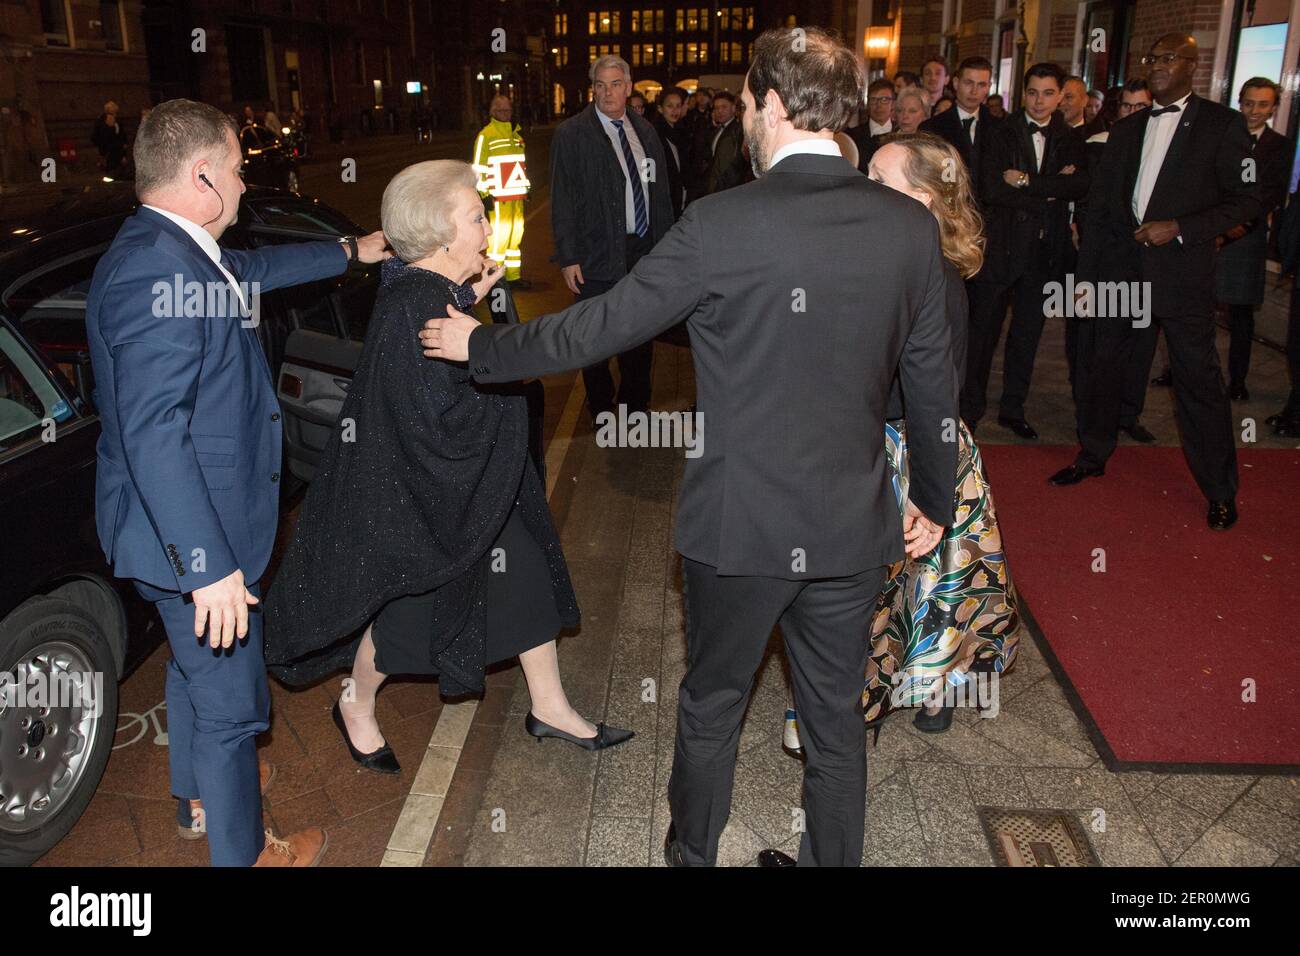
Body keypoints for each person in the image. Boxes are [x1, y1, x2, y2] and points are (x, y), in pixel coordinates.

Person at [420, 26, 958, 868]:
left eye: (747, 102)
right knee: (835, 722)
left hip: (739, 528)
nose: (743, 114)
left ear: (775, 107)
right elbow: (932, 386)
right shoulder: (906, 230)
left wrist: (479, 349)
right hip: (852, 524)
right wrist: (931, 496)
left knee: (713, 704)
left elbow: (598, 326)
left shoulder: (718, 224)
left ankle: (692, 859)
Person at [86, 98, 389, 867]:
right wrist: (208, 565)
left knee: (194, 681)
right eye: (238, 169)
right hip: (190, 541)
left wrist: (354, 250)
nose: (247, 186)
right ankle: (249, 852)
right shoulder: (157, 269)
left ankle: (195, 798)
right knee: (231, 709)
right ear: (201, 175)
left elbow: (251, 271)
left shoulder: (175, 248)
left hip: (182, 532)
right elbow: (154, 430)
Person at [264, 160, 632, 769]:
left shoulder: (426, 291)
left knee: (526, 573)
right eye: (477, 216)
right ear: (441, 234)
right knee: (411, 615)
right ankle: (355, 703)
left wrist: (470, 298)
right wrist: (510, 377)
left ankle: (550, 706)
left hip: (469, 486)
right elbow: (439, 425)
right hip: (424, 501)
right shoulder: (421, 307)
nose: (489, 226)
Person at [782, 132, 1023, 754]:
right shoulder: (898, 258)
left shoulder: (933, 275)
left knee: (907, 583)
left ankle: (864, 709)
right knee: (911, 581)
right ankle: (890, 699)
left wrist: (925, 483)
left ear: (921, 199)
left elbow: (935, 391)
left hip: (913, 444)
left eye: (881, 182)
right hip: (893, 438)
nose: (867, 191)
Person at [1050, 34, 1261, 532]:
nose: (1159, 66)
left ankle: (1220, 489)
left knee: (1197, 379)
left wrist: (1182, 229)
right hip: (1120, 271)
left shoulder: (1221, 125)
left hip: (1182, 275)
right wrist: (1088, 281)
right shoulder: (1127, 129)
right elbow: (1102, 209)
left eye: (1169, 58)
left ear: (1193, 65)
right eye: (1152, 58)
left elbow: (1247, 201)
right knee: (1104, 365)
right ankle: (1093, 453)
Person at [965, 62, 1089, 438]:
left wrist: (1025, 181)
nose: (1039, 100)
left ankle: (1012, 408)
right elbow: (991, 188)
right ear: (1023, 94)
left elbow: (1079, 186)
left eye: (1048, 93)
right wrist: (1049, 190)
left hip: (1044, 251)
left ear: (1060, 97)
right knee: (982, 335)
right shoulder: (999, 131)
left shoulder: (1070, 136)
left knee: (1027, 335)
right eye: (1033, 92)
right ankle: (969, 409)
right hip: (1000, 249)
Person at [548, 53, 674, 422]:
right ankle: (601, 405)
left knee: (639, 334)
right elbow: (562, 200)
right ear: (593, 89)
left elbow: (660, 196)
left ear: (629, 87)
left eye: (615, 84)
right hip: (594, 254)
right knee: (595, 337)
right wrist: (568, 256)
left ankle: (636, 405)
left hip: (641, 253)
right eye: (600, 85)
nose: (607, 93)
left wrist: (665, 253)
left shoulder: (646, 132)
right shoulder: (572, 134)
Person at [1073, 77, 1159, 443]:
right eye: (1127, 106)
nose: (1134, 113)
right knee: (1105, 348)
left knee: (1144, 344)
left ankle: (1130, 412)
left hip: (1155, 263)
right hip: (1112, 261)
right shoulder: (1100, 146)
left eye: (1142, 107)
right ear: (1117, 109)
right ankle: (1097, 426)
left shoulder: (1165, 149)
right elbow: (1092, 204)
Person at [1216, 77, 1288, 401]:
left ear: (1273, 108)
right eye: (1248, 103)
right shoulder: (1219, 138)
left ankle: (1238, 380)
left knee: (1241, 315)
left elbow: (1270, 194)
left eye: (1262, 104)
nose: (1254, 111)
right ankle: (1181, 372)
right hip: (1212, 232)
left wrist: (1237, 227)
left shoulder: (1281, 146)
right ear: (1239, 102)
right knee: (1194, 309)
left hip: (1246, 238)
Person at [920, 56, 998, 205]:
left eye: (981, 84)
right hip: (948, 211)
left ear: (988, 87)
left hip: (991, 217)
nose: (974, 91)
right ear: (956, 83)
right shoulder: (932, 127)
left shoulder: (1000, 127)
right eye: (968, 83)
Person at [472, 94, 531, 283]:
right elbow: (478, 168)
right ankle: (494, 278)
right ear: (493, 112)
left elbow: (520, 165)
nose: (506, 114)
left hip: (517, 196)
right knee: (499, 239)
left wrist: (526, 187)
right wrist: (484, 193)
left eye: (508, 110)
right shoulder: (486, 135)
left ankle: (513, 277)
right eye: (502, 111)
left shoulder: (516, 135)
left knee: (515, 237)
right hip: (498, 198)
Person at [653, 86, 690, 218]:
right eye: (670, 106)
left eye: (678, 106)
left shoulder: (681, 132)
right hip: (662, 199)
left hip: (679, 196)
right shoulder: (654, 134)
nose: (675, 111)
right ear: (660, 108)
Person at [845, 79, 894, 172]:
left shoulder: (902, 134)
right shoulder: (853, 136)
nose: (878, 105)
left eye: (884, 100)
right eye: (873, 100)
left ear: (893, 104)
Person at [703, 90, 746, 195]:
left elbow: (733, 167)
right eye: (716, 108)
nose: (719, 111)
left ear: (733, 108)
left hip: (727, 190)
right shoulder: (716, 130)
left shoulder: (738, 132)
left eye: (724, 107)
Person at [92, 100, 127, 175]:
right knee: (109, 173)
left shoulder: (117, 122)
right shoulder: (100, 122)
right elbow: (97, 137)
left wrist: (123, 151)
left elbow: (121, 136)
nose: (114, 115)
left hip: (117, 151)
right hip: (108, 152)